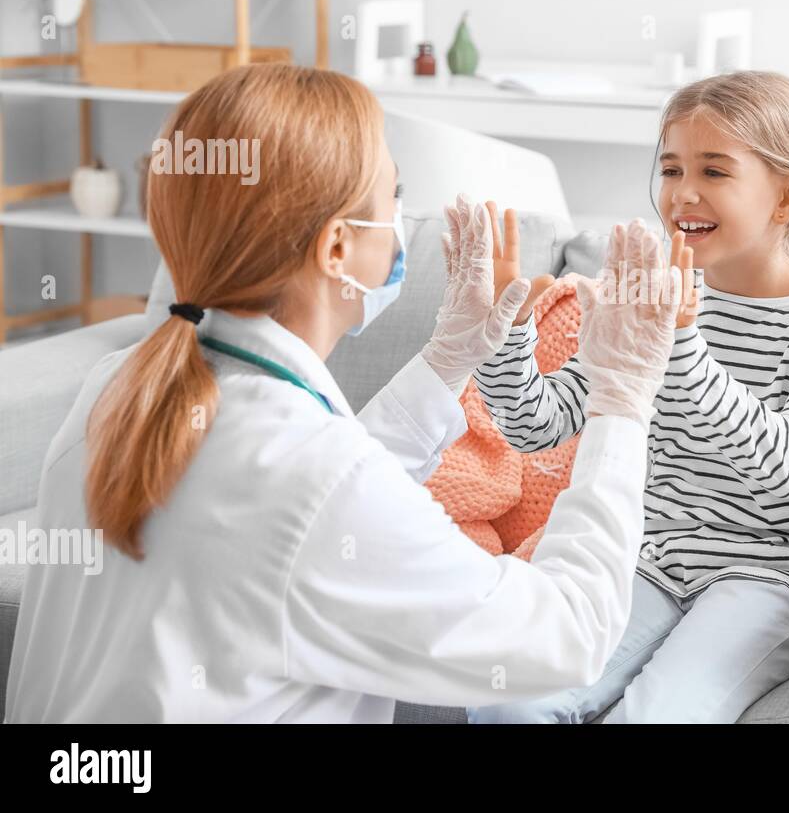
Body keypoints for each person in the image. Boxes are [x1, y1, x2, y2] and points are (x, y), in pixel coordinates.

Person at [3, 63, 683, 723]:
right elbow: (566, 634)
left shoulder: (119, 385)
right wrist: (621, 401)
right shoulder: (309, 475)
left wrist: (451, 355)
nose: (403, 216)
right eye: (394, 195)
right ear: (336, 250)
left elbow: (320, 502)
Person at [469, 71, 789, 723]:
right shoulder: (645, 293)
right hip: (649, 556)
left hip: (775, 575)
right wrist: (505, 331)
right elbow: (533, 424)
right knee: (508, 705)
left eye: (714, 172)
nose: (682, 194)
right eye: (671, 169)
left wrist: (681, 344)